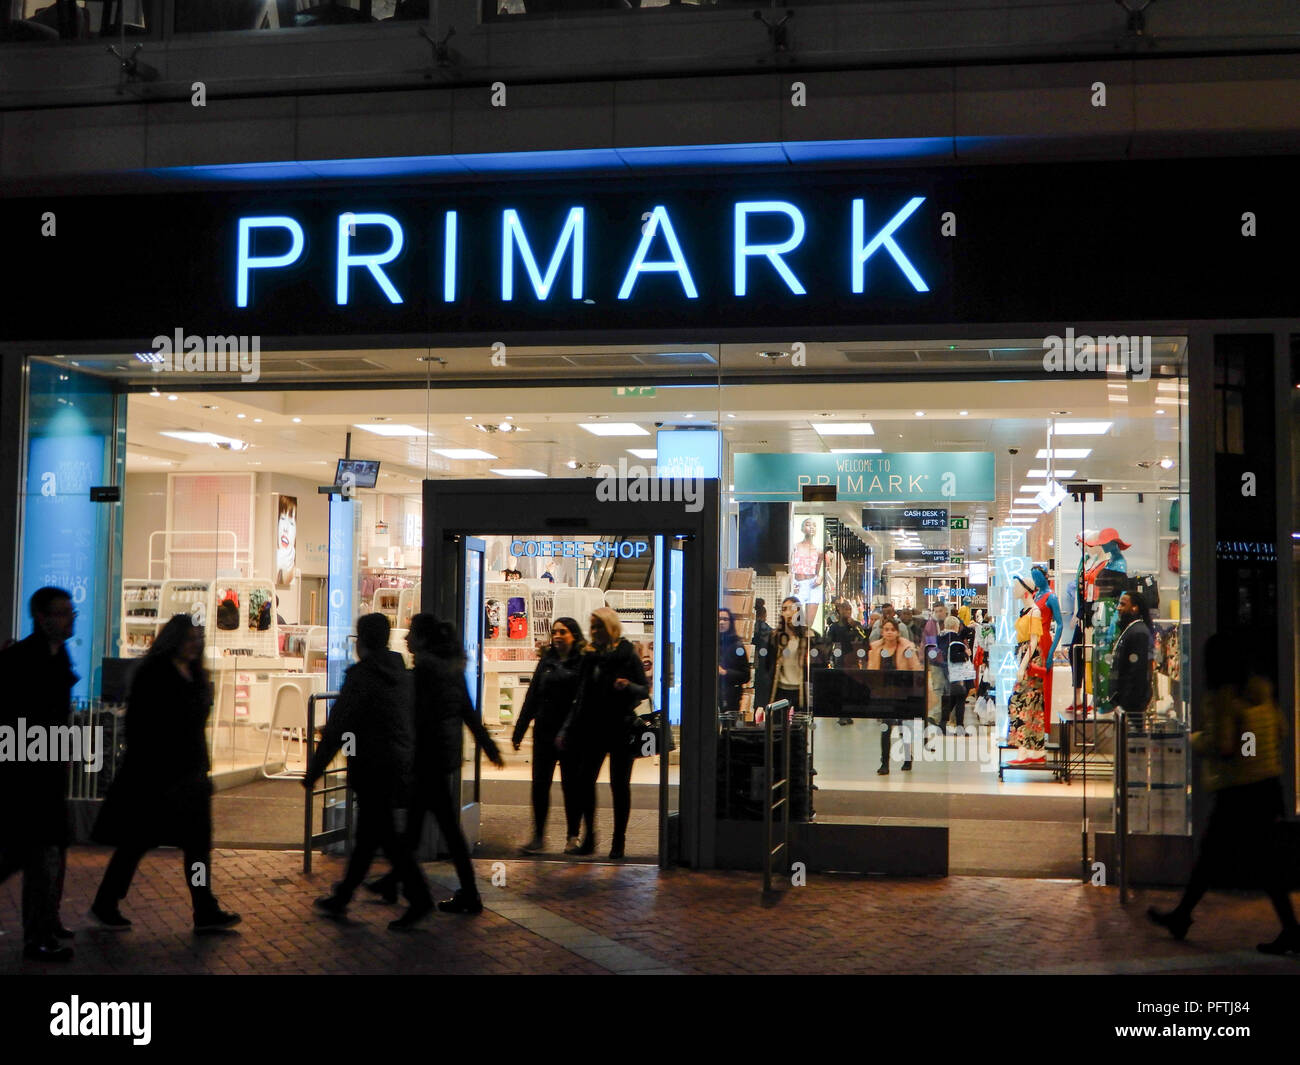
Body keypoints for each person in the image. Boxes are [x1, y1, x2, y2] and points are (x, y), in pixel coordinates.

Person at [1148, 632, 1299, 955]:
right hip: (1267, 786)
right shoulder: (1262, 692)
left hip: (1239, 791)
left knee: (1216, 855)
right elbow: (1281, 731)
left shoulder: (1222, 698)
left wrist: (1194, 739)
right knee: (1250, 859)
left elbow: (1225, 746)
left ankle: (1183, 915)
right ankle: (1184, 915)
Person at [90, 614, 240, 935]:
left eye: (198, 639)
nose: (195, 645)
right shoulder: (155, 675)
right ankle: (107, 901)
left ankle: (203, 906)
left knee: (194, 846)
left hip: (189, 775)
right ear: (175, 640)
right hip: (158, 777)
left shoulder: (194, 675)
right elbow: (141, 728)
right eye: (189, 639)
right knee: (137, 843)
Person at [304, 613, 434, 929]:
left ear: (361, 641)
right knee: (371, 837)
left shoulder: (362, 677)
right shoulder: (400, 674)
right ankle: (344, 896)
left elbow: (338, 728)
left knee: (383, 838)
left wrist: (314, 771)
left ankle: (418, 899)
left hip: (372, 768)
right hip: (395, 765)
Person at [368, 615, 504, 913]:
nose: (406, 638)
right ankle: (397, 882)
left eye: (412, 633)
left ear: (423, 638)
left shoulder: (426, 671)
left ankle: (450, 895)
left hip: (427, 757)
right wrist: (488, 745)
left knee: (436, 829)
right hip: (441, 755)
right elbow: (467, 710)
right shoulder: (451, 668)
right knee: (427, 827)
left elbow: (415, 716)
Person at [0, 587, 78, 962]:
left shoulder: (56, 654)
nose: (70, 618)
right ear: (42, 618)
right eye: (62, 613)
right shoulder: (22, 660)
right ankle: (40, 935)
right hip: (27, 777)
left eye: (70, 612)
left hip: (43, 775)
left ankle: (42, 931)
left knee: (38, 855)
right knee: (33, 855)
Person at [556, 607, 648, 860]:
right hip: (593, 727)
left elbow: (644, 690)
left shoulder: (627, 654)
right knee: (585, 781)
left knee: (619, 785)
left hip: (620, 726)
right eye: (592, 626)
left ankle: (618, 840)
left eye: (599, 627)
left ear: (610, 627)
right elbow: (581, 694)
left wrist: (628, 685)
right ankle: (590, 836)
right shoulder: (590, 656)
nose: (594, 631)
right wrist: (569, 727)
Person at [512, 617, 586, 853]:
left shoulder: (581, 662)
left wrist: (570, 729)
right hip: (544, 731)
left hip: (571, 734)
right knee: (540, 785)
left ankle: (573, 835)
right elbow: (532, 696)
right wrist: (520, 729)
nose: (557, 636)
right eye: (554, 632)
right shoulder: (547, 661)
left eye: (563, 632)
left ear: (574, 635)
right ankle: (538, 836)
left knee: (571, 786)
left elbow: (581, 701)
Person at [867, 617, 922, 774]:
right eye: (886, 629)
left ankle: (907, 757)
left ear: (898, 632)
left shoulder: (907, 648)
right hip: (884, 694)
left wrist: (916, 691)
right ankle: (884, 763)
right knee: (885, 727)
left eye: (892, 629)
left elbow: (915, 669)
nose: (889, 632)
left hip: (903, 693)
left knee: (904, 727)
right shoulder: (876, 649)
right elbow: (871, 671)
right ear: (882, 632)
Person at [752, 596, 811, 713]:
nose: (788, 613)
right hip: (779, 690)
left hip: (800, 692)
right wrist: (761, 702)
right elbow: (766, 668)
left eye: (792, 609)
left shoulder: (808, 637)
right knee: (778, 722)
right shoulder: (774, 637)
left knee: (799, 722)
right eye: (784, 609)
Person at [824, 599, 869, 725]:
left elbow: (864, 637)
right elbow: (829, 643)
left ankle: (849, 712)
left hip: (853, 660)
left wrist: (855, 626)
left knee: (850, 687)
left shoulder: (855, 625)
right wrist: (828, 658)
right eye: (845, 609)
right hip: (839, 660)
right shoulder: (834, 627)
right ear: (839, 610)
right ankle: (841, 714)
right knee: (840, 687)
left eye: (849, 609)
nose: (847, 612)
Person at [1108, 591, 1151, 715]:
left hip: (1131, 704)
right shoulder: (1131, 629)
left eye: (1123, 604)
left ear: (1134, 608)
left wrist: (1126, 702)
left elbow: (1137, 671)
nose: (1118, 608)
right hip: (1123, 703)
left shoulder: (1138, 632)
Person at [717, 608, 751, 715]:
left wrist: (725, 672)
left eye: (725, 619)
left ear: (730, 622)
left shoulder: (737, 646)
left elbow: (746, 675)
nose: (721, 622)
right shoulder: (710, 644)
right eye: (719, 619)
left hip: (730, 700)